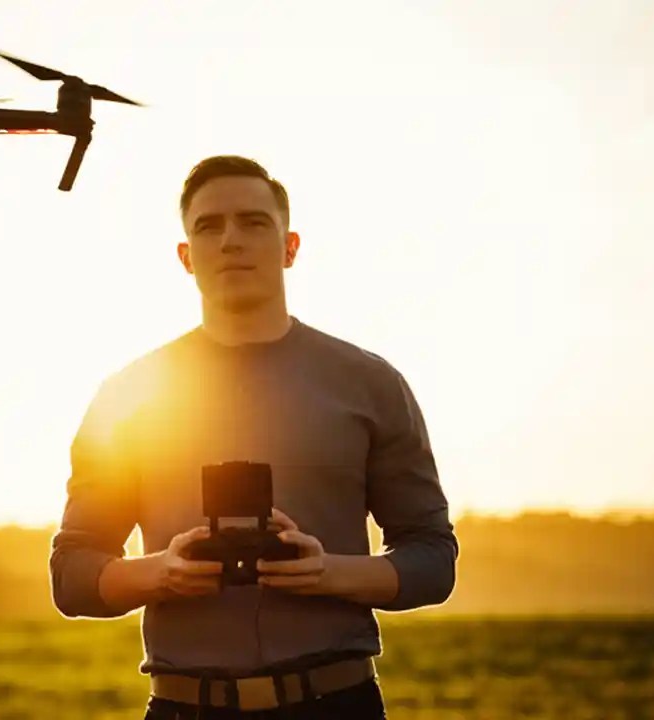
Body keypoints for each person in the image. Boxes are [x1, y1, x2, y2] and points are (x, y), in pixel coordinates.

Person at [49, 155, 459, 719]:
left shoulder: (371, 384)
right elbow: (71, 577)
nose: (231, 240)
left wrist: (328, 572)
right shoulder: (128, 395)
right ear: (186, 257)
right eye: (208, 227)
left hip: (336, 704)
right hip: (184, 707)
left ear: (290, 246)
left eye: (253, 222)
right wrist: (160, 571)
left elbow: (434, 561)